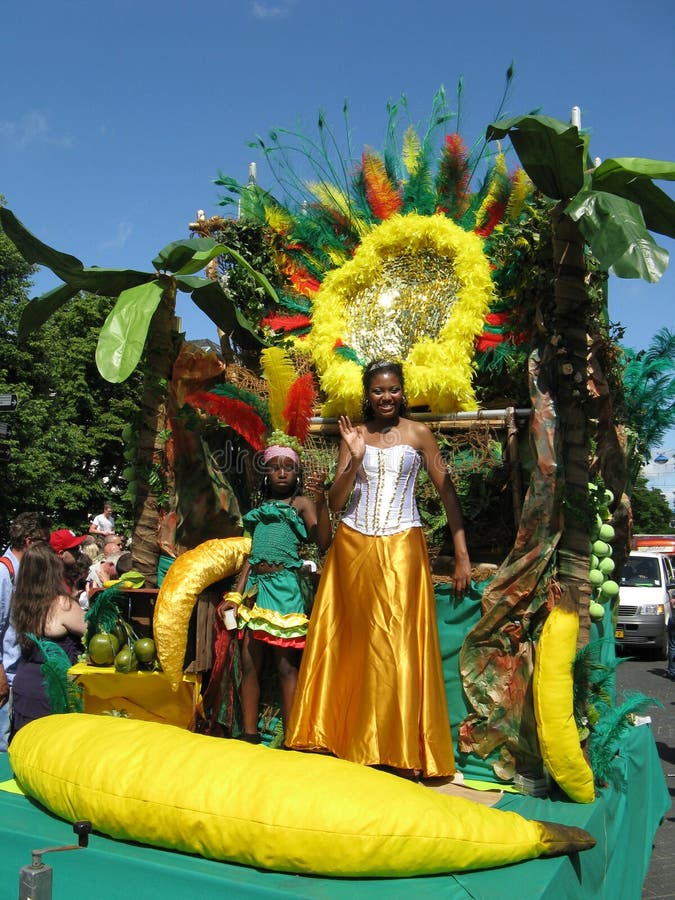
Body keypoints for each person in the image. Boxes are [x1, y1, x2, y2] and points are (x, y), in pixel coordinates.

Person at [286, 360, 471, 779]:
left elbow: (447, 493)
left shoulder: (420, 434)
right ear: (366, 394)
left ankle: (400, 748)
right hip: (353, 545)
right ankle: (338, 737)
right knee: (350, 643)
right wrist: (353, 458)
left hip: (403, 542)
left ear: (402, 391)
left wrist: (462, 555)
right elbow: (333, 503)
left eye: (392, 390)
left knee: (399, 645)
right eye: (377, 391)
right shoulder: (353, 435)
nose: (385, 397)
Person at [217, 442, 332, 743]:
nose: (282, 472)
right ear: (266, 472)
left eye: (289, 467)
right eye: (275, 467)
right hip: (257, 588)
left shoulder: (302, 504)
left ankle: (293, 738)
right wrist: (235, 596)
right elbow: (251, 557)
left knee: (285, 664)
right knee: (249, 660)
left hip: (286, 588)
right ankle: (250, 734)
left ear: (297, 472)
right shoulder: (259, 510)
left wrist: (322, 501)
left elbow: (323, 542)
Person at [10, 541, 86, 738]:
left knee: (26, 752)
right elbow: (94, 631)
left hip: (24, 684)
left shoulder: (20, 602)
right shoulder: (62, 604)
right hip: (51, 689)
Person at [0, 513, 51, 751]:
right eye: (45, 541)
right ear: (30, 542)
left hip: (15, 677)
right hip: (5, 680)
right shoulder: (4, 573)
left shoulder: (22, 571)